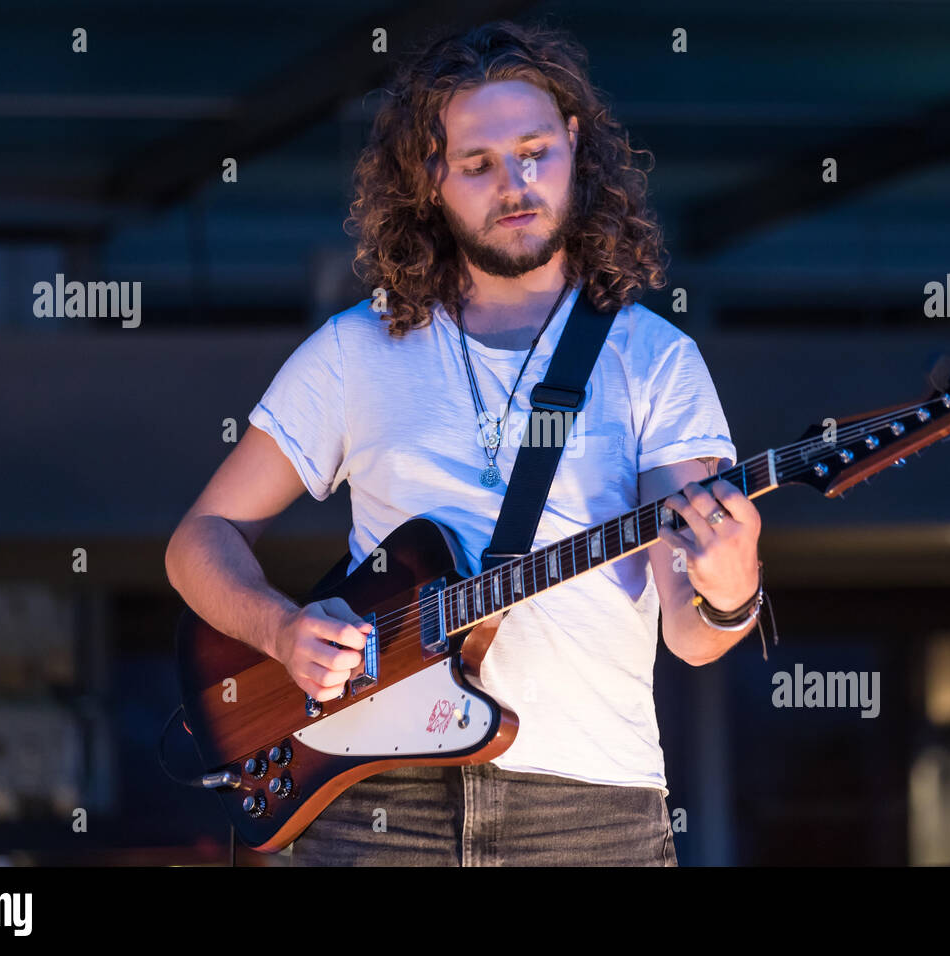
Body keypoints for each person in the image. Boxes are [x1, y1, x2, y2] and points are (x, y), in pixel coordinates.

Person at [164, 20, 764, 867]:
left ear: (575, 146)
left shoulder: (652, 359)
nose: (514, 184)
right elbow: (199, 541)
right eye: (478, 165)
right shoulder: (357, 351)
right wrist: (281, 631)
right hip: (373, 802)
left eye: (534, 152)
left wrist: (732, 589)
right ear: (431, 181)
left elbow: (691, 633)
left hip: (588, 810)